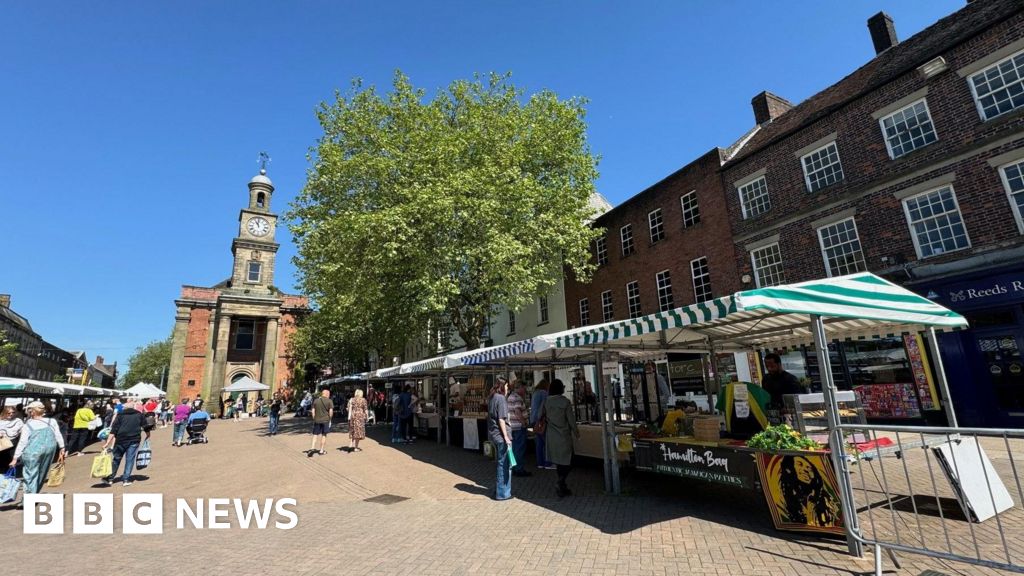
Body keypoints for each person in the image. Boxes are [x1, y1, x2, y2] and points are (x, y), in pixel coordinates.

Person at [9, 401, 65, 502]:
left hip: (32, 452)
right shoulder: (51, 421)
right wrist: (62, 447)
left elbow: (22, 442)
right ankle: (33, 495)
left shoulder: (28, 425)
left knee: (30, 475)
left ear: (32, 412)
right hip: (49, 450)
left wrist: (15, 458)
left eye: (29, 410)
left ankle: (29, 498)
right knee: (42, 473)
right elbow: (58, 435)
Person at [778, 455, 839, 527]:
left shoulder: (823, 499)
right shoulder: (783, 496)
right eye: (800, 464)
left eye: (809, 468)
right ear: (789, 469)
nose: (806, 470)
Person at [544, 379, 579, 498]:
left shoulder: (546, 401)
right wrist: (576, 433)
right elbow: (571, 420)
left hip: (552, 435)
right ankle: (561, 481)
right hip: (564, 435)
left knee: (559, 461)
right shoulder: (565, 402)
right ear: (560, 388)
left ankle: (562, 483)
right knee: (570, 460)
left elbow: (539, 415)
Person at [101, 401, 149, 486]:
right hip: (134, 439)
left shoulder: (120, 415)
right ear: (133, 407)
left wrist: (108, 442)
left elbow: (114, 430)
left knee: (116, 459)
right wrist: (148, 434)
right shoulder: (139, 414)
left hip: (121, 440)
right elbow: (145, 426)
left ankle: (110, 478)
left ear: (125, 408)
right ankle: (126, 480)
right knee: (130, 460)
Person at [487, 375, 513, 501]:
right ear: (503, 386)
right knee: (504, 464)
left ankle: (499, 490)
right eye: (507, 386)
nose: (508, 388)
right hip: (501, 436)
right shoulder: (501, 398)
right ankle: (503, 493)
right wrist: (506, 437)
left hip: (494, 434)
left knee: (501, 463)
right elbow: (501, 419)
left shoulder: (492, 397)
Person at [507, 382, 531, 477]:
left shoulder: (510, 397)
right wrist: (524, 423)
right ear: (520, 388)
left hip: (512, 426)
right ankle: (519, 469)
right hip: (518, 426)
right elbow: (517, 412)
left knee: (514, 449)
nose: (525, 391)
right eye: (524, 388)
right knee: (519, 449)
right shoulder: (517, 398)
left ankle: (513, 467)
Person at [530, 379, 554, 470]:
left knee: (539, 443)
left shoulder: (535, 393)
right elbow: (545, 405)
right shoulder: (544, 393)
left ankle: (540, 463)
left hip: (533, 419)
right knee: (546, 442)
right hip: (541, 419)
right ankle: (548, 463)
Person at [309, 389, 333, 456]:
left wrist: (314, 417)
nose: (329, 395)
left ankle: (312, 447)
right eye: (329, 394)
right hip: (325, 420)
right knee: (324, 435)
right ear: (326, 394)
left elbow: (313, 411)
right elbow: (330, 411)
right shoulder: (329, 401)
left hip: (317, 420)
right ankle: (321, 450)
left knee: (315, 434)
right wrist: (330, 418)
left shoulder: (316, 401)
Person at [0, 406, 25, 471]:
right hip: (1, 443)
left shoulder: (18, 421)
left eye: (13, 412)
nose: (11, 414)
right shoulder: (0, 420)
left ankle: (8, 476)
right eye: (9, 413)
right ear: (4, 413)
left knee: (10, 461)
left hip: (13, 443)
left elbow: (23, 432)